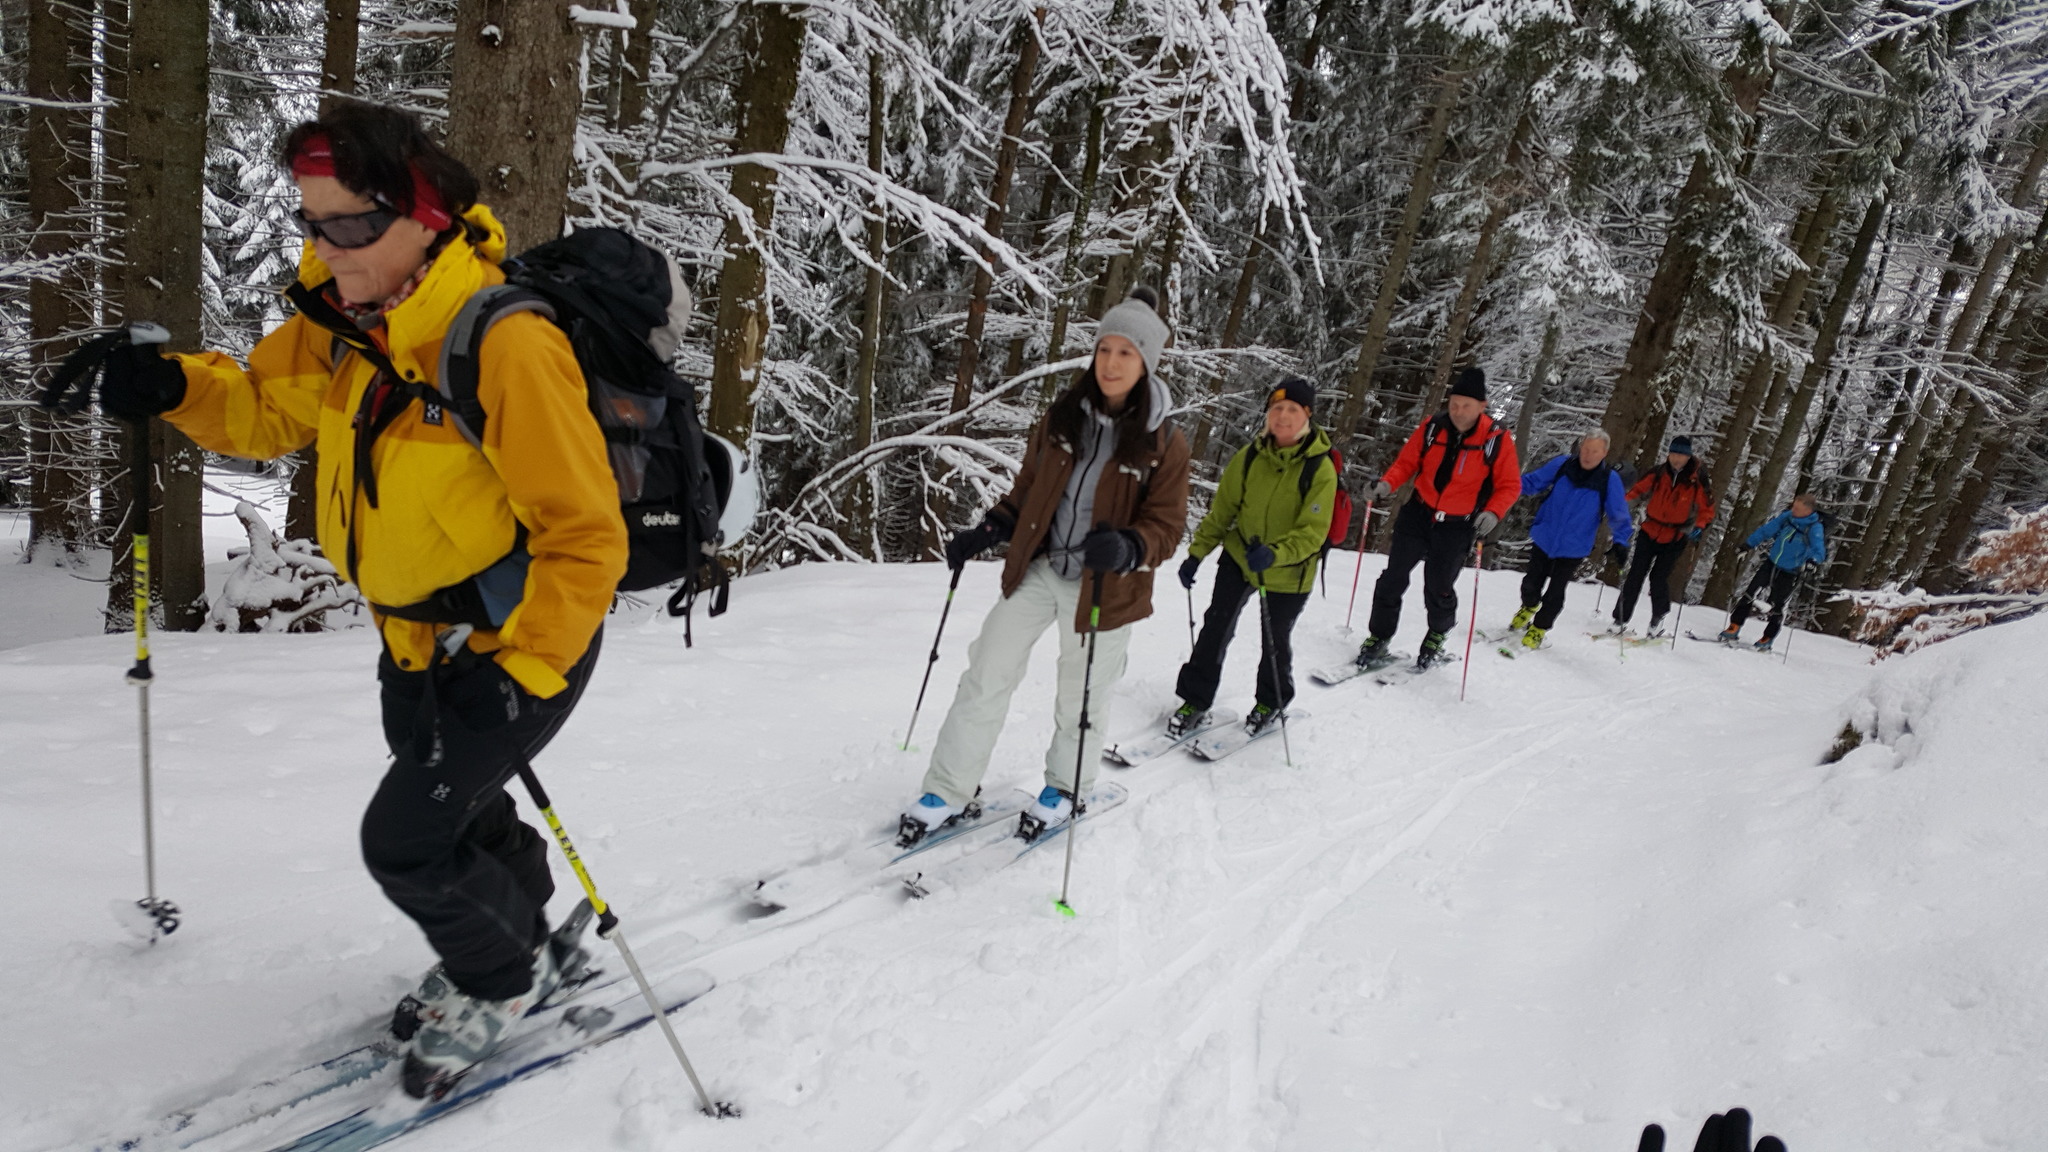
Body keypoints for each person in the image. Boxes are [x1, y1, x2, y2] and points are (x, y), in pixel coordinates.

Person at [84, 102, 627, 1095]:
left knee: (405, 841)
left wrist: (522, 673)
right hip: (415, 639)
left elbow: (585, 535)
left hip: (520, 642)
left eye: (349, 225)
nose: (326, 247)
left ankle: (500, 978)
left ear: (426, 217)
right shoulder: (342, 327)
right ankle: (524, 932)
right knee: (453, 803)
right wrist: (169, 385)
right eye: (312, 222)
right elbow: (259, 410)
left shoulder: (504, 344)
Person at [901, 287, 1191, 847]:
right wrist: (990, 528)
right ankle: (948, 788)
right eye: (1105, 349)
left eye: (1126, 353)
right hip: (1039, 569)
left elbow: (1167, 525)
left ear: (1146, 361)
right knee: (987, 671)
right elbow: (1030, 490)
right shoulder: (1063, 416)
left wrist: (1130, 546)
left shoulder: (1165, 442)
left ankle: (1065, 787)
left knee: (1081, 695)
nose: (1111, 363)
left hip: (1105, 587)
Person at [1172, 377, 1337, 739]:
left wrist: (1276, 554)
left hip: (1290, 572)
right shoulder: (1247, 459)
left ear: (1306, 416)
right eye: (1276, 408)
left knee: (1275, 640)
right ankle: (1195, 701)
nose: (1282, 416)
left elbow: (1313, 532)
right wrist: (1196, 554)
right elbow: (1222, 512)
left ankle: (1271, 702)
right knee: (1216, 627)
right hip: (1240, 556)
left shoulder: (1320, 469)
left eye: (1292, 409)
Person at [1354, 367, 1520, 671]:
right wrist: (1386, 484)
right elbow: (1406, 463)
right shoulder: (1432, 428)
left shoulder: (1496, 439)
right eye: (1454, 404)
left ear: (1482, 406)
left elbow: (1510, 485)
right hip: (1419, 512)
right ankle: (1379, 637)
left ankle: (1437, 633)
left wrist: (1493, 512)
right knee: (1393, 578)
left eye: (1466, 405)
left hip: (1458, 524)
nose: (1458, 411)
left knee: (1439, 586)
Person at [1506, 430, 1633, 649]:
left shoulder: (1608, 480)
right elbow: (1533, 482)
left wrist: (1621, 541)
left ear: (1604, 453)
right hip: (1545, 536)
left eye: (1594, 451)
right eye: (1585, 448)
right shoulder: (1563, 465)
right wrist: (1506, 486)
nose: (1588, 455)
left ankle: (1539, 628)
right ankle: (1529, 606)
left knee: (1556, 592)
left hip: (1574, 546)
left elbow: (1618, 513)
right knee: (1530, 584)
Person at [1613, 435, 1715, 635]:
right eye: (1673, 454)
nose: (1676, 459)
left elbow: (1707, 510)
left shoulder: (1697, 479)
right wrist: (1619, 507)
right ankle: (1619, 619)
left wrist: (1699, 526)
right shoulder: (1658, 473)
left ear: (1688, 457)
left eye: (1681, 455)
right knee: (1635, 574)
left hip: (1676, 536)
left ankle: (1657, 619)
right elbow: (1637, 492)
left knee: (1658, 578)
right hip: (1650, 529)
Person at [1719, 494, 1827, 651]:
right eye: (1793, 506)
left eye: (1797, 508)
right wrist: (1748, 545)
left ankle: (1768, 637)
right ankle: (1734, 626)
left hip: (1791, 571)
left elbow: (1819, 549)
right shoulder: (1788, 517)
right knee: (1750, 593)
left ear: (1807, 510)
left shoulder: (1814, 527)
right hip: (1772, 563)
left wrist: (1813, 561)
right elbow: (1766, 530)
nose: (1793, 510)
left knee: (1778, 605)